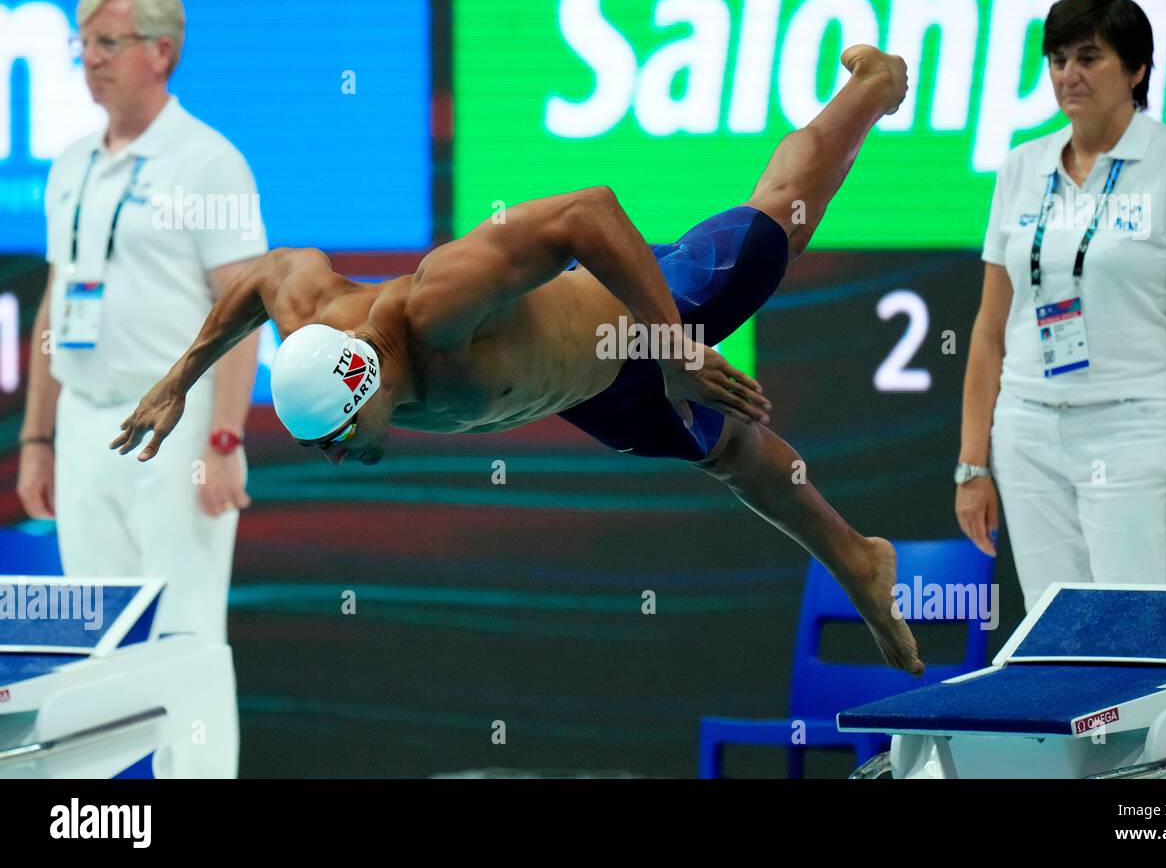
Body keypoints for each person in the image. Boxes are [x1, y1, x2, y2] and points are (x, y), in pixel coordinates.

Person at [112, 44, 924, 676]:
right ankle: (860, 558)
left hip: (645, 320)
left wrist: (673, 347)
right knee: (730, 453)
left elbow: (588, 212)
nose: (337, 456)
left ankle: (875, 84)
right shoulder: (312, 323)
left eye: (338, 436)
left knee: (781, 213)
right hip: (586, 394)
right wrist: (178, 379)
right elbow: (262, 277)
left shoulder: (434, 306)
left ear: (364, 384)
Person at [15, 0, 268, 775]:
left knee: (186, 639)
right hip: (86, 425)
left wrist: (225, 438)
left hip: (177, 427)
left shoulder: (208, 162)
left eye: (108, 43)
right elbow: (58, 303)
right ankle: (100, 813)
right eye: (83, 43)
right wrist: (37, 438)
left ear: (163, 52)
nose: (90, 59)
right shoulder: (70, 165)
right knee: (94, 645)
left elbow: (244, 309)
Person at [955, 0, 1166, 611]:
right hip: (1027, 427)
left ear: (1137, 71)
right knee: (1056, 637)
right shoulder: (1021, 167)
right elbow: (989, 331)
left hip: (1134, 427)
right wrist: (973, 465)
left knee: (1126, 634)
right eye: (1058, 60)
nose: (1068, 75)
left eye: (1089, 57)